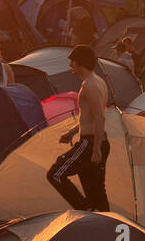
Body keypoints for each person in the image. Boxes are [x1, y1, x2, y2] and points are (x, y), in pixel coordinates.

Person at [46, 45, 110, 211]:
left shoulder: (90, 85)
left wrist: (96, 149)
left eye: (72, 61)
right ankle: (104, 223)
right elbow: (89, 116)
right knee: (96, 192)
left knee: (55, 174)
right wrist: (72, 131)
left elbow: (100, 117)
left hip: (90, 144)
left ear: (80, 62)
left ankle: (84, 209)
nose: (70, 65)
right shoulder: (98, 82)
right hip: (95, 141)